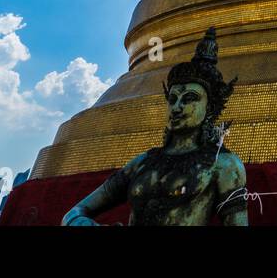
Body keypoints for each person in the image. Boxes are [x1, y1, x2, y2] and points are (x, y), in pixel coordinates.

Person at [63, 27, 247, 226]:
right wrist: (82, 223)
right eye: (173, 99)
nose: (177, 107)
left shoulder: (223, 165)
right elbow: (75, 212)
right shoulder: (143, 163)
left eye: (189, 99)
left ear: (209, 109)